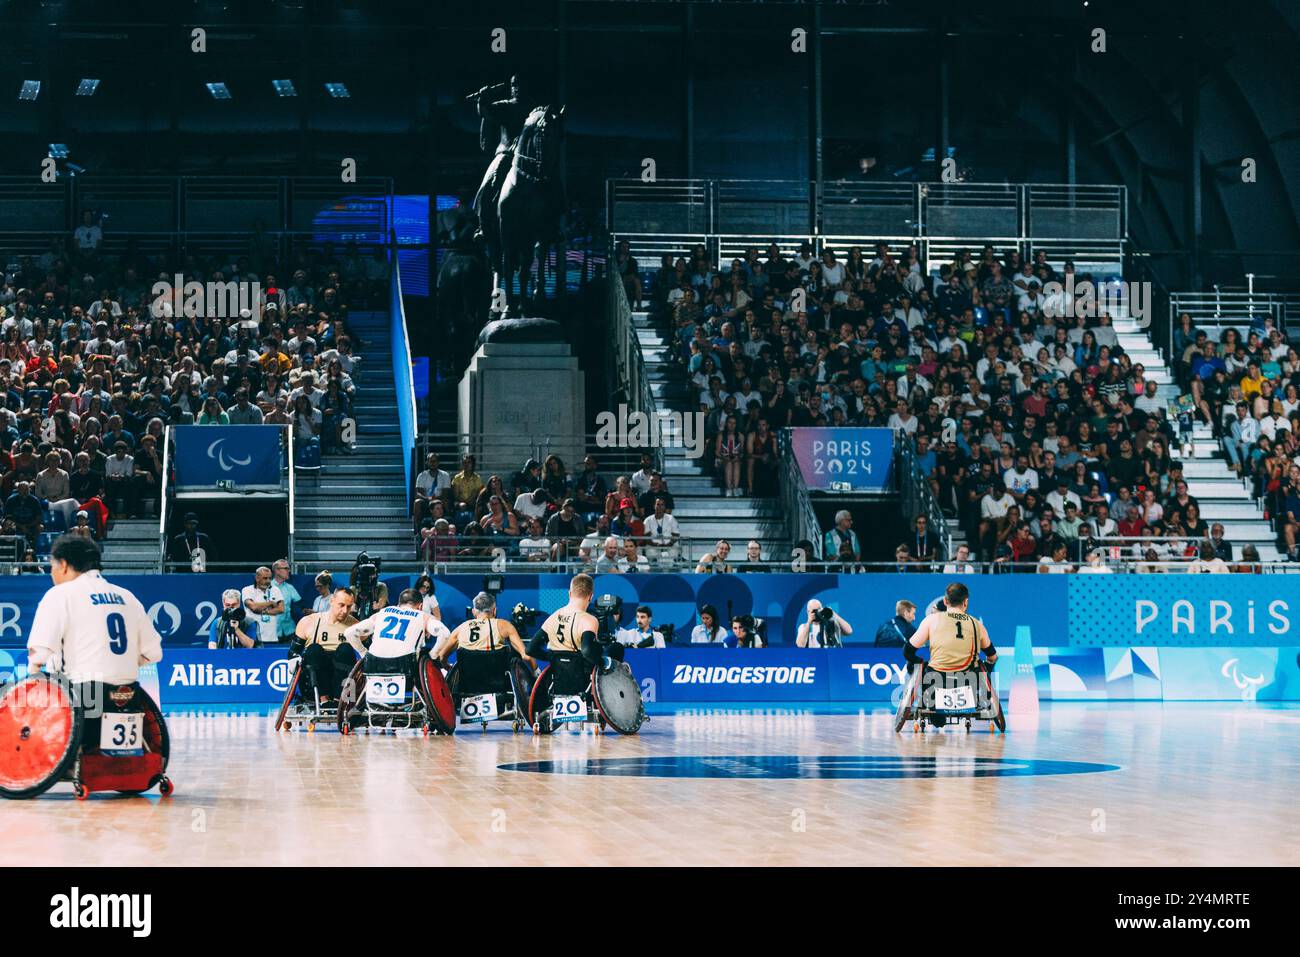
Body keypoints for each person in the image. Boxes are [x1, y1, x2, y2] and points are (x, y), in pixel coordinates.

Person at [25, 536, 163, 739]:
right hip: (128, 695)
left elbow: (38, 654)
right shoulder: (128, 597)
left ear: (63, 565)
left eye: (52, 566)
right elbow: (154, 653)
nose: (51, 573)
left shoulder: (60, 594)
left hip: (83, 699)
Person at [904, 582, 997, 694]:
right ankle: (986, 697)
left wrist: (921, 663)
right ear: (966, 602)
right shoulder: (977, 624)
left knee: (915, 664)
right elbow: (992, 657)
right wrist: (987, 668)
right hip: (968, 684)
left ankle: (916, 698)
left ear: (945, 601)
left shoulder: (931, 620)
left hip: (935, 684)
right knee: (982, 665)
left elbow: (907, 651)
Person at [343, 588, 439, 685]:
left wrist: (363, 653)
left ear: (399, 604)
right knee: (425, 653)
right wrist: (433, 655)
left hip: (373, 666)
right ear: (420, 606)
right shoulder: (423, 616)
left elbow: (349, 633)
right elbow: (445, 634)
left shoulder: (382, 613)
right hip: (405, 669)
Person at [525, 573, 611, 670]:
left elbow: (530, 649)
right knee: (616, 648)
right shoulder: (589, 620)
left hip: (557, 673)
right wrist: (603, 663)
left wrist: (551, 657)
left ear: (570, 593)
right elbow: (587, 652)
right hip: (581, 674)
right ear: (591, 596)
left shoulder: (553, 617)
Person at [291, 587, 360, 703]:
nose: (345, 611)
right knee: (313, 649)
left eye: (349, 607)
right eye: (341, 605)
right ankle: (324, 700)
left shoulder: (356, 626)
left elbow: (370, 652)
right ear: (331, 601)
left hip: (343, 681)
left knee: (345, 649)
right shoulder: (308, 622)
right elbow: (293, 652)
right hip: (314, 681)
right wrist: (294, 659)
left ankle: (339, 701)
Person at [431, 591, 529, 664]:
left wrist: (447, 666)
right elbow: (526, 656)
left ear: (473, 612)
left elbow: (442, 656)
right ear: (495, 611)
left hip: (466, 683)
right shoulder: (504, 625)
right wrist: (535, 672)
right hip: (498, 682)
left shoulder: (460, 629)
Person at [242, 566, 286, 645]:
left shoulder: (275, 590)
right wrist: (270, 603)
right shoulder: (247, 590)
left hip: (272, 638)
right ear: (257, 578)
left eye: (270, 578)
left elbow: (281, 609)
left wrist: (263, 611)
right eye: (265, 578)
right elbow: (253, 607)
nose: (268, 581)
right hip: (253, 638)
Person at [272, 559, 301, 643]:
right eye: (286, 568)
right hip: (273, 631)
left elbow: (300, 604)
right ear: (277, 570)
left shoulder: (290, 587)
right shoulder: (267, 588)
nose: (289, 571)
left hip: (290, 630)